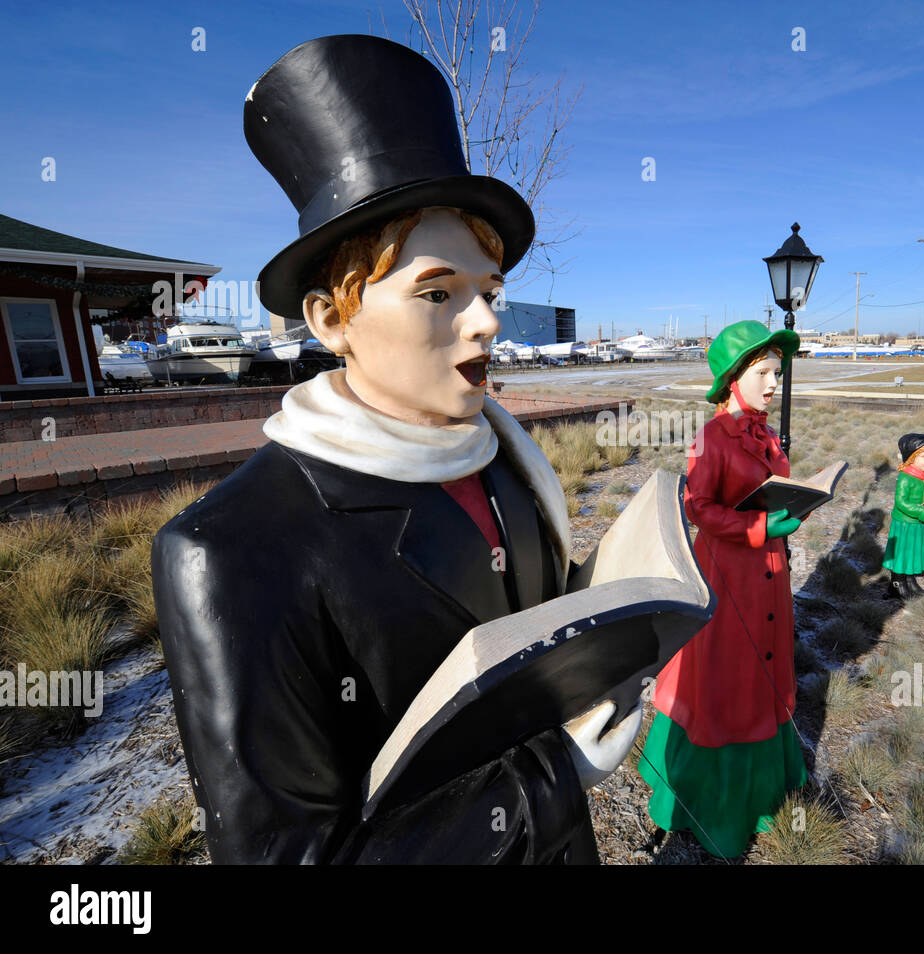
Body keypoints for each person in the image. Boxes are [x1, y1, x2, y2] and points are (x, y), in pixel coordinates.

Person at [152, 35, 639, 865]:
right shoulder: (231, 550)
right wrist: (556, 773)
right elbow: (295, 856)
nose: (485, 321)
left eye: (488, 292)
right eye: (438, 292)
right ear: (330, 320)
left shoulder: (504, 463)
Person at [637, 320, 807, 859]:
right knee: (726, 675)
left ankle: (760, 791)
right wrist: (758, 528)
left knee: (765, 664)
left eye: (776, 374)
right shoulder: (710, 437)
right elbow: (698, 508)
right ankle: (706, 806)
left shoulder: (765, 433)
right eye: (762, 373)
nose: (772, 384)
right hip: (729, 576)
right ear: (733, 377)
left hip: (770, 574)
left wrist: (792, 508)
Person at [882, 432, 924, 600]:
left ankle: (910, 581)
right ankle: (897, 584)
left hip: (917, 523)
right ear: (911, 457)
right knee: (901, 553)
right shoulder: (906, 478)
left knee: (912, 552)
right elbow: (901, 503)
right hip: (905, 524)